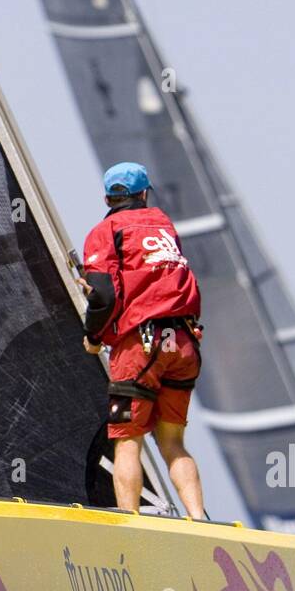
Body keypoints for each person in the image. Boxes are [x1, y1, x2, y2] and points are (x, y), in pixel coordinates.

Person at [81, 161, 206, 517]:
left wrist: (93, 336)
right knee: (172, 441)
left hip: (142, 347)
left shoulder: (106, 230)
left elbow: (104, 295)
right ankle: (199, 517)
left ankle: (132, 523)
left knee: (126, 440)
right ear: (144, 193)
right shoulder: (164, 225)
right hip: (183, 343)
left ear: (108, 197)